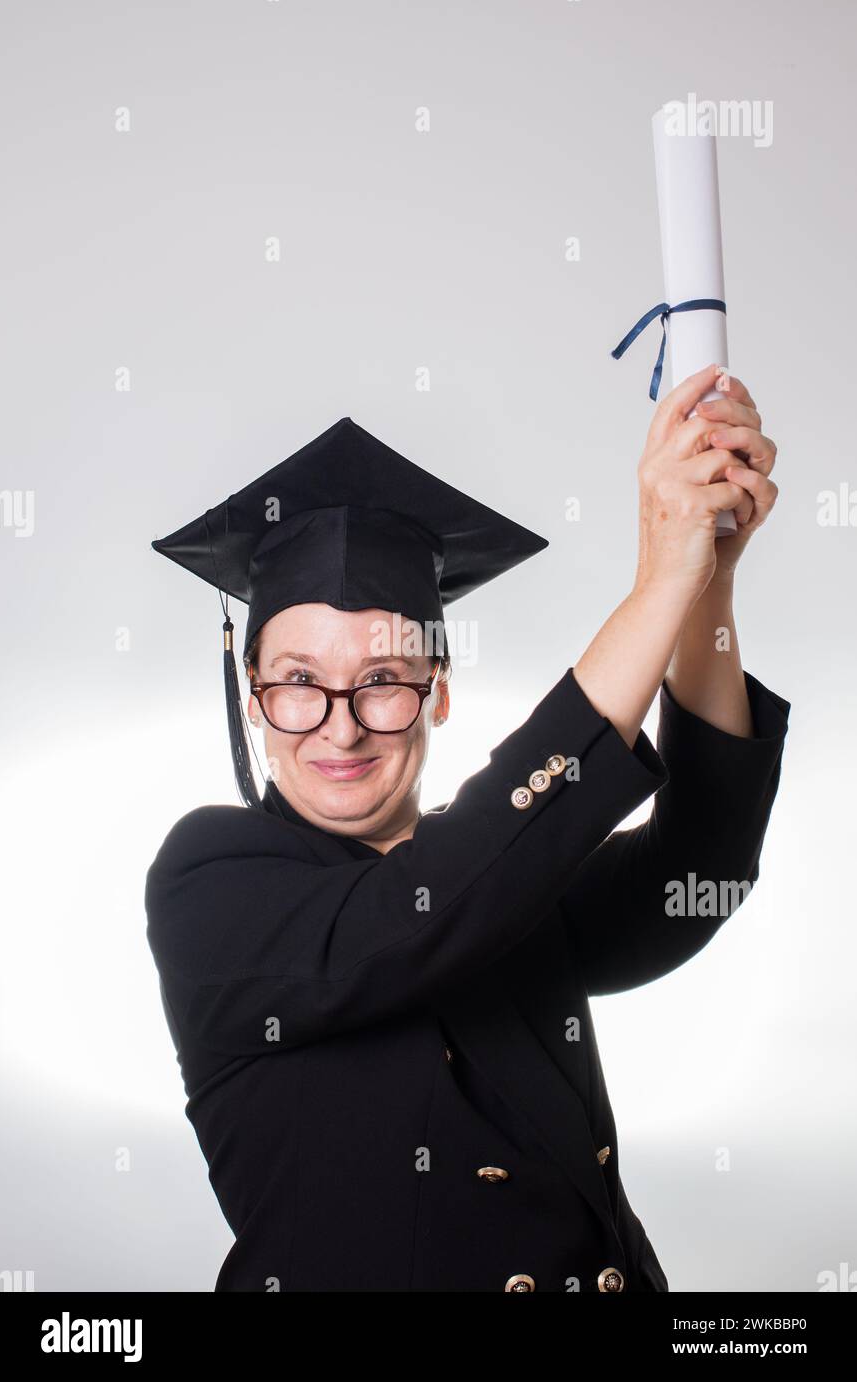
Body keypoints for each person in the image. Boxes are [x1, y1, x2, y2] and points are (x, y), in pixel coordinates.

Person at [145, 364, 790, 1292]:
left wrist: (706, 588)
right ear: (253, 700)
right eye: (297, 682)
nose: (339, 723)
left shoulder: (515, 878)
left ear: (438, 693)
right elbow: (427, 907)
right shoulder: (210, 881)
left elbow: (703, 868)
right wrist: (655, 585)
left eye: (383, 679)